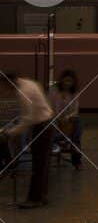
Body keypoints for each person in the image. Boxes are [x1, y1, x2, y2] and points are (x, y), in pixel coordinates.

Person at [2, 71, 53, 207]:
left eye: (4, 85)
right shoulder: (30, 83)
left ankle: (35, 199)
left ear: (9, 81)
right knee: (42, 164)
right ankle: (41, 196)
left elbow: (28, 119)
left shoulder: (22, 92)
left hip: (41, 125)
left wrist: (10, 132)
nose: (5, 89)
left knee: (38, 164)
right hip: (46, 123)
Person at [49, 70, 82, 171]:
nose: (68, 83)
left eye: (70, 81)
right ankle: (64, 143)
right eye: (66, 80)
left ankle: (76, 159)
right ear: (62, 80)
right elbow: (51, 108)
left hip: (68, 121)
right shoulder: (54, 90)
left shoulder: (74, 92)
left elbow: (75, 110)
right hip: (53, 120)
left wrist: (67, 118)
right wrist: (59, 118)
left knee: (78, 123)